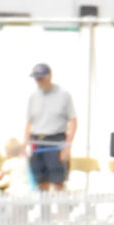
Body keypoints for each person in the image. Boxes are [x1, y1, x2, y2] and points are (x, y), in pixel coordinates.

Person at [25, 62, 77, 191]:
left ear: (49, 77)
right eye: (36, 78)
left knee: (58, 180)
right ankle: (45, 211)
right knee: (41, 181)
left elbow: (73, 120)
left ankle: (61, 211)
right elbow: (29, 122)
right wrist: (25, 144)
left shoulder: (63, 95)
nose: (38, 81)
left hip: (56, 140)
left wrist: (67, 146)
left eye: (40, 78)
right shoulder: (33, 96)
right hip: (37, 140)